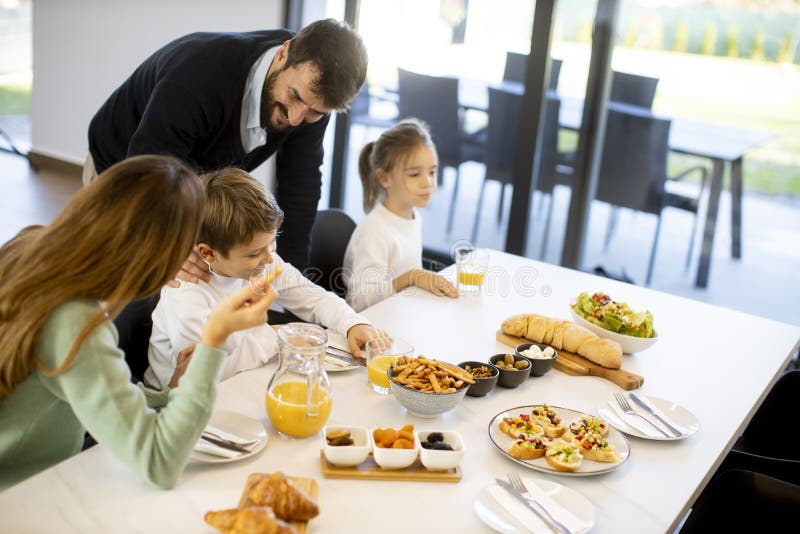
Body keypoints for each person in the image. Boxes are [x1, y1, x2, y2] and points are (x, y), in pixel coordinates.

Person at [0, 155, 279, 491]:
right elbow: (160, 462)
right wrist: (215, 337)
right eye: (186, 251)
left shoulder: (32, 245)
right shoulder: (76, 325)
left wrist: (169, 394)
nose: (192, 264)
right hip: (25, 497)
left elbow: (94, 386)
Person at [85, 19, 368, 272]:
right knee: (123, 276)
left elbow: (301, 189)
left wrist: (289, 285)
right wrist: (174, 248)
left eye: (315, 112)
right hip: (125, 167)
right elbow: (148, 174)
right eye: (294, 97)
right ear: (284, 53)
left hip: (195, 173)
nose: (296, 119)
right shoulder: (200, 73)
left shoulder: (312, 100)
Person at [144, 168, 385, 389]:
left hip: (245, 377)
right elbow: (205, 374)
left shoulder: (262, 262)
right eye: (255, 252)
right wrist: (277, 336)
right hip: (172, 404)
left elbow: (314, 298)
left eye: (273, 241)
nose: (270, 257)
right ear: (208, 253)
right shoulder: (187, 295)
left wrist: (353, 323)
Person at [343, 119, 458, 312]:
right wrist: (411, 277)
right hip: (371, 327)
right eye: (415, 174)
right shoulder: (374, 231)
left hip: (401, 315)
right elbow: (359, 302)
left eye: (432, 172)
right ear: (384, 178)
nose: (427, 182)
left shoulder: (412, 217)